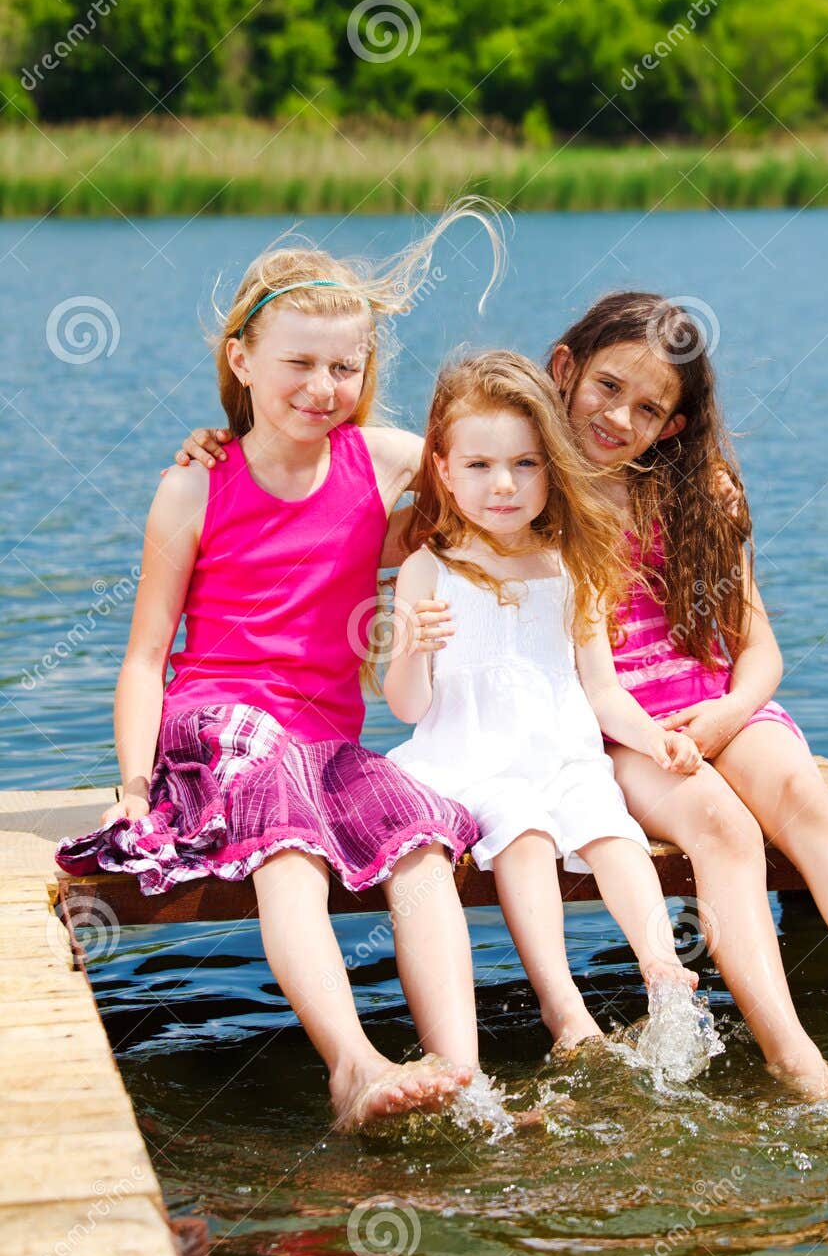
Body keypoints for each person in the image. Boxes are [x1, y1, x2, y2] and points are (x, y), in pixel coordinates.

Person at [56, 206, 510, 1131]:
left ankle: (464, 1080)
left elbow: (502, 465)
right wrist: (136, 787)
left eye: (344, 366)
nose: (322, 386)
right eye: (297, 363)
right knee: (290, 838)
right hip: (216, 721)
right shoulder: (195, 485)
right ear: (242, 361)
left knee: (420, 834)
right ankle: (352, 1067)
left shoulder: (380, 462)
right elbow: (146, 659)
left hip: (321, 741)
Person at [545, 291, 828, 1062]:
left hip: (716, 708)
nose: (619, 417)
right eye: (608, 386)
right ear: (564, 369)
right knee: (721, 827)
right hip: (614, 730)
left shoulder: (691, 499)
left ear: (673, 426)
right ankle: (794, 1054)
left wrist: (729, 715)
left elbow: (758, 652)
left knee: (803, 799)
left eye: (648, 408)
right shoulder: (523, 485)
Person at [384, 351, 704, 1052]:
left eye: (526, 464)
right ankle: (564, 1009)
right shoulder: (427, 569)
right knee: (524, 834)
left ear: (551, 467)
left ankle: (659, 965)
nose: (503, 485)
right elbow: (407, 708)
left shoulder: (569, 563)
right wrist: (407, 644)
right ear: (442, 468)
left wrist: (654, 739)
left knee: (610, 828)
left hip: (561, 752)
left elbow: (601, 689)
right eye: (478, 466)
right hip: (472, 764)